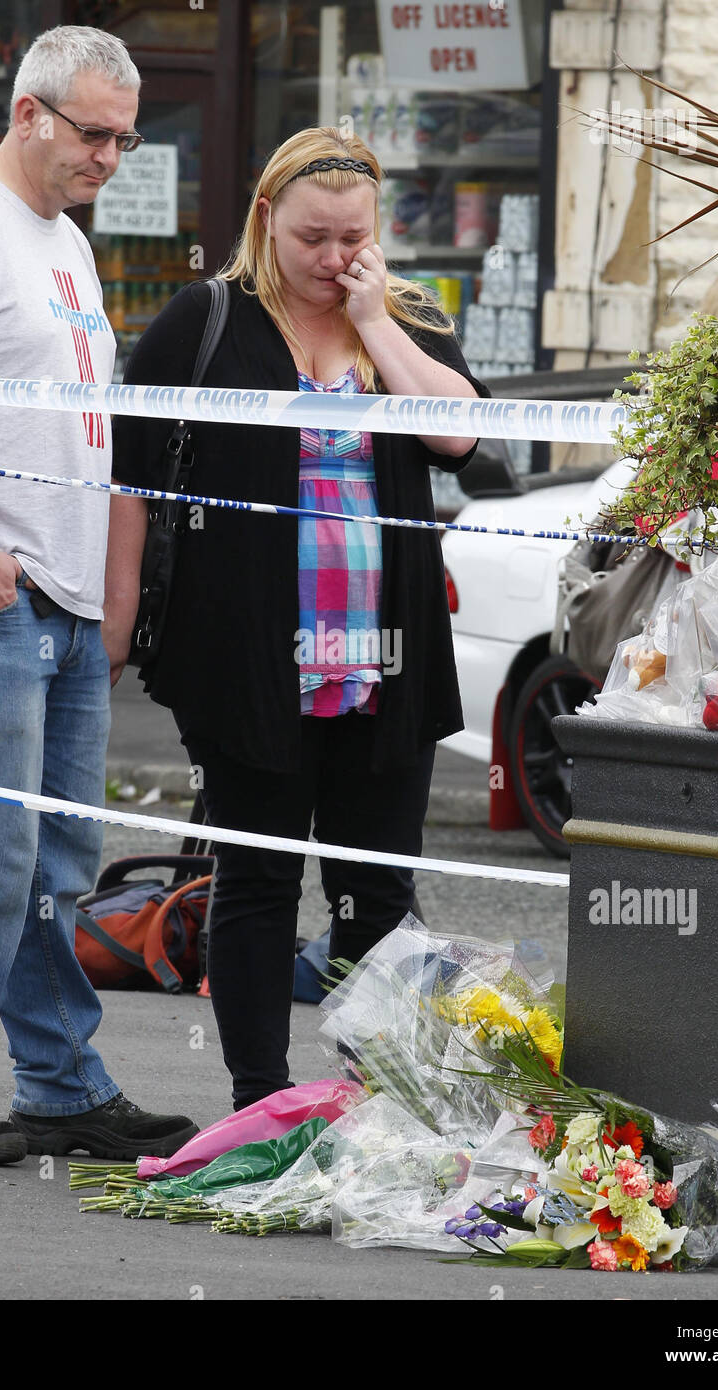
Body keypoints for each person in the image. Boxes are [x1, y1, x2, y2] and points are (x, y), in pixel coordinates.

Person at [106, 127, 488, 1110]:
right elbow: (130, 482)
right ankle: (261, 1103)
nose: (331, 257)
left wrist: (378, 319)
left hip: (384, 662)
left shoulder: (403, 321)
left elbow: (457, 433)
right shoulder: (205, 321)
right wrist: (112, 632)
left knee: (376, 894)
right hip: (245, 660)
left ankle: (372, 1103)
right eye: (312, 237)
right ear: (266, 220)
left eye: (351, 237)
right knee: (260, 887)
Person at [0, 26, 198, 1165]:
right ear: (27, 114)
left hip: (49, 593)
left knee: (59, 853)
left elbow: (89, 434)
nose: (110, 156)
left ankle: (59, 1083)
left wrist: (104, 595)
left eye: (125, 137)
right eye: (92, 133)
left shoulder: (64, 243)